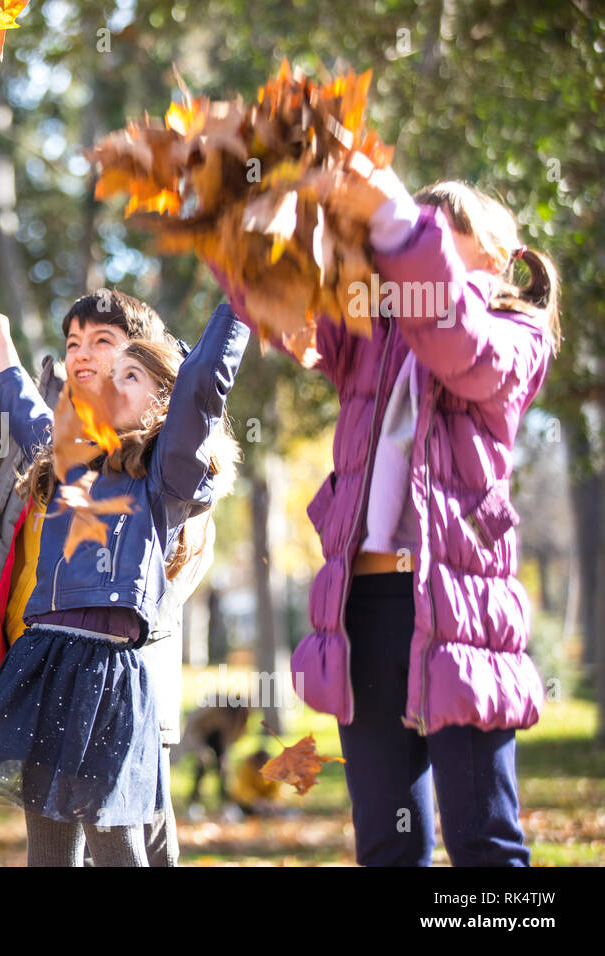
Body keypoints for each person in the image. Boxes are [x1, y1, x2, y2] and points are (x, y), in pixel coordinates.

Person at [210, 166, 560, 866]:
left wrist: (398, 219)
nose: (396, 254)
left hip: (459, 613)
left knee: (482, 841)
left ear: (493, 253)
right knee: (387, 843)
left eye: (431, 237)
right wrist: (232, 216)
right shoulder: (371, 332)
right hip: (365, 609)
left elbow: (459, 343)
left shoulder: (514, 336)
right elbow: (281, 308)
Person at [0, 291, 232, 866]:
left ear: (162, 405)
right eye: (77, 347)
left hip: (108, 675)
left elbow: (205, 379)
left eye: (126, 371)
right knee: (47, 845)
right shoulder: (69, 459)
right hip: (44, 662)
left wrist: (237, 302)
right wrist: (0, 350)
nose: (100, 375)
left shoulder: (164, 480)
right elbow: (28, 415)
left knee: (117, 840)